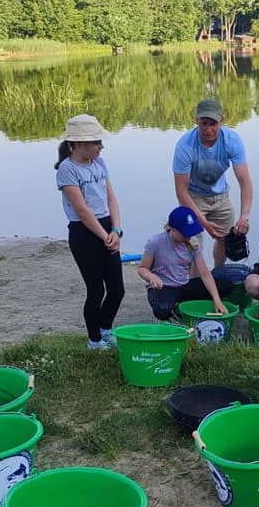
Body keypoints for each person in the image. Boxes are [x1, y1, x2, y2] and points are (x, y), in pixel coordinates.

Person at [56, 114, 125, 351]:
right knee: (96, 290)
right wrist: (104, 236)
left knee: (117, 289)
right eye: (96, 142)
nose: (101, 146)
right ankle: (94, 340)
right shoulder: (67, 170)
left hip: (107, 226)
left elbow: (111, 197)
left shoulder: (100, 163)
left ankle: (106, 328)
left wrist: (115, 230)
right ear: (77, 144)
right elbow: (83, 210)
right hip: (84, 233)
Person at [173, 98, 254, 267]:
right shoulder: (185, 146)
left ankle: (218, 273)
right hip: (193, 196)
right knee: (192, 241)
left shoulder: (232, 141)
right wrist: (202, 221)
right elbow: (181, 191)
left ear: (221, 121)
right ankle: (193, 282)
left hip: (220, 196)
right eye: (204, 123)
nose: (209, 129)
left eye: (213, 123)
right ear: (196, 121)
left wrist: (244, 217)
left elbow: (245, 182)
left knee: (225, 238)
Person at [138, 206, 231, 321]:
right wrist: (152, 277)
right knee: (162, 309)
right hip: (164, 286)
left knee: (226, 286)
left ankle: (181, 306)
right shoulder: (156, 242)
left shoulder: (193, 243)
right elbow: (142, 269)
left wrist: (217, 299)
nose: (189, 236)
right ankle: (174, 310)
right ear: (173, 229)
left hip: (184, 285)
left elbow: (205, 274)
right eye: (185, 233)